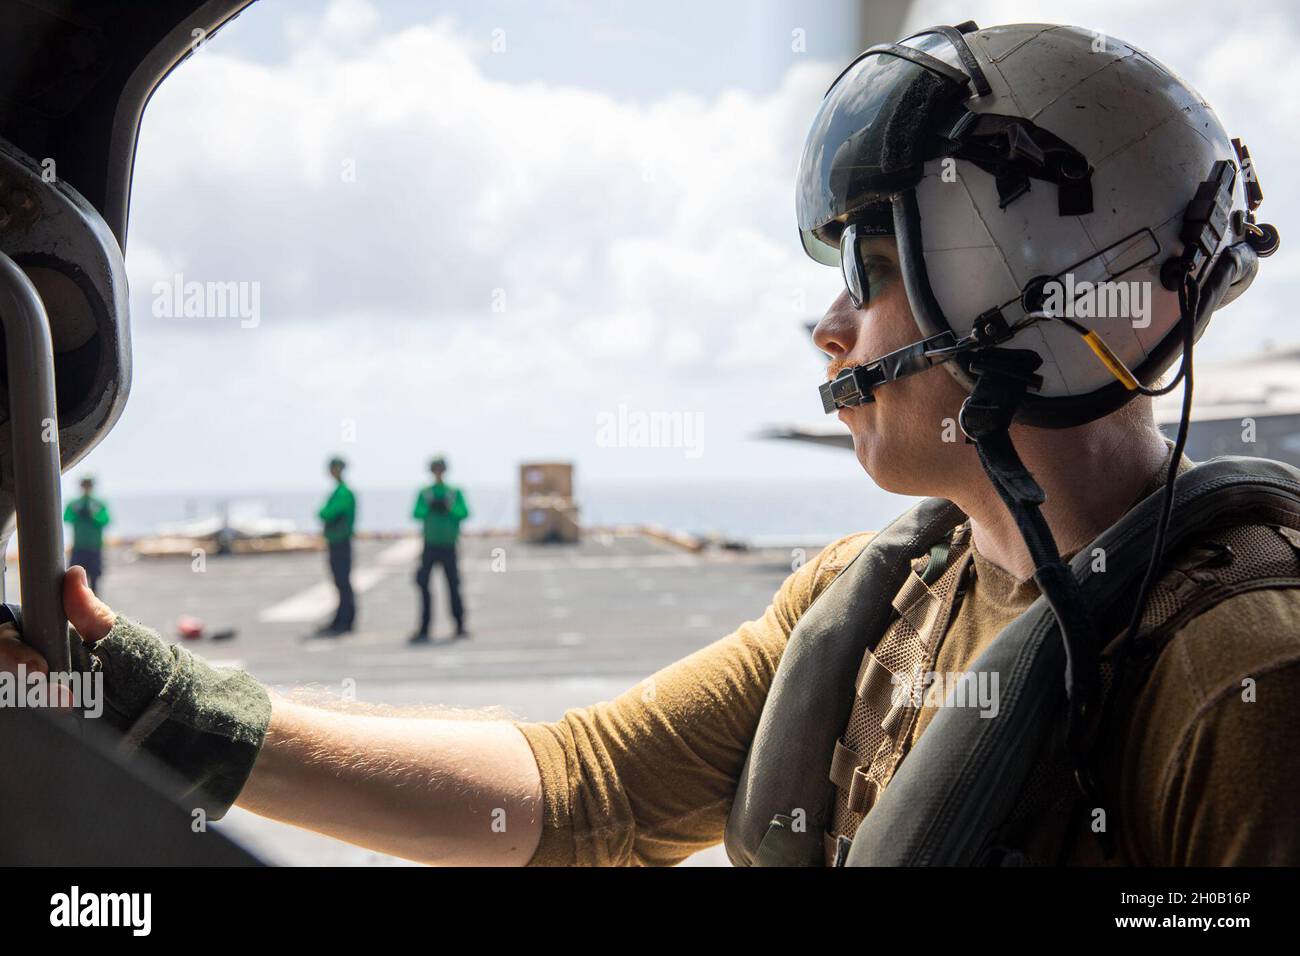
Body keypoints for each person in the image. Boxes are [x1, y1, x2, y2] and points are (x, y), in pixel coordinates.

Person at [6, 22, 1299, 867]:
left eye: (877, 266)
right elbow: (575, 791)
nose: (829, 324)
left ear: (1035, 291)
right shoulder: (877, 599)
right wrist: (155, 705)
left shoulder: (1245, 688)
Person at [409, 456, 469, 644]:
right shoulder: (425, 493)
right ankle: (425, 627)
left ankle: (459, 625)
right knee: (424, 585)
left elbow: (464, 512)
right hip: (430, 545)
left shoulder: (454, 492)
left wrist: (448, 508)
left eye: (440, 469)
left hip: (449, 545)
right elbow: (416, 513)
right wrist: (430, 508)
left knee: (453, 585)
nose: (438, 472)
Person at [314, 456, 357, 636]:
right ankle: (340, 618)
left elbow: (327, 512)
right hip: (335, 541)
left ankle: (346, 620)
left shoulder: (343, 493)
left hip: (341, 542)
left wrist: (325, 513)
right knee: (339, 582)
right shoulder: (338, 491)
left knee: (343, 581)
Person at [63, 475, 110, 593]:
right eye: (85, 485)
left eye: (88, 485)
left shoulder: (99, 503)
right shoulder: (74, 503)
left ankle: (93, 601)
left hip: (94, 546)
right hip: (79, 546)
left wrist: (93, 517)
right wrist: (77, 514)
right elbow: (66, 518)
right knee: (75, 578)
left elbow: (106, 520)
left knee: (95, 578)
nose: (86, 488)